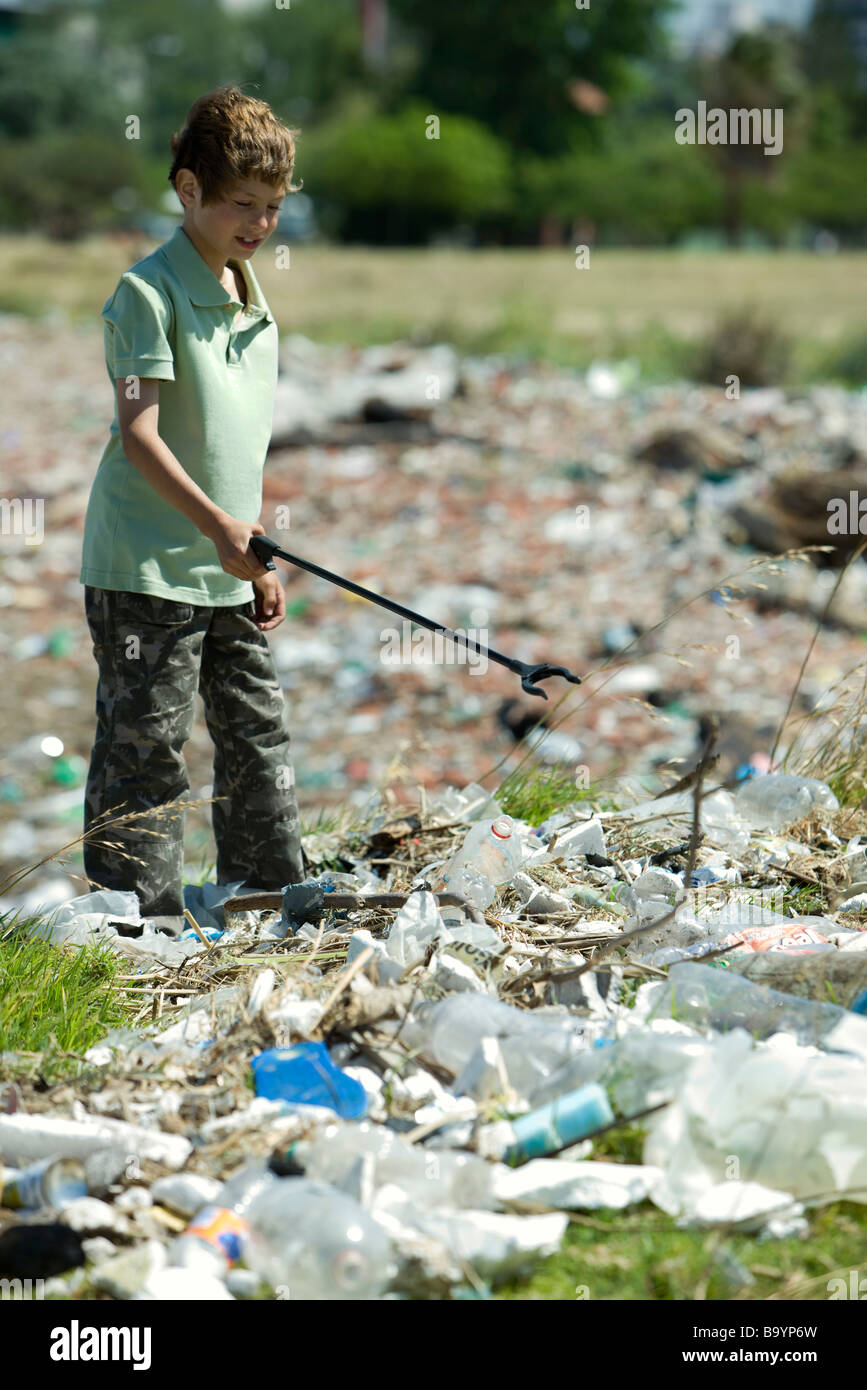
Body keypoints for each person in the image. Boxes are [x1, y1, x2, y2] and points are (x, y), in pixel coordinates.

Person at [79, 87, 306, 934]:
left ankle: (268, 893)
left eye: (273, 208)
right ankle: (137, 925)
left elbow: (233, 441)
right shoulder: (147, 293)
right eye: (241, 204)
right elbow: (140, 435)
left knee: (256, 737)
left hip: (229, 563)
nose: (258, 223)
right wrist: (218, 526)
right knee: (148, 752)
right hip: (146, 565)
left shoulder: (252, 298)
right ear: (188, 189)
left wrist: (251, 546)